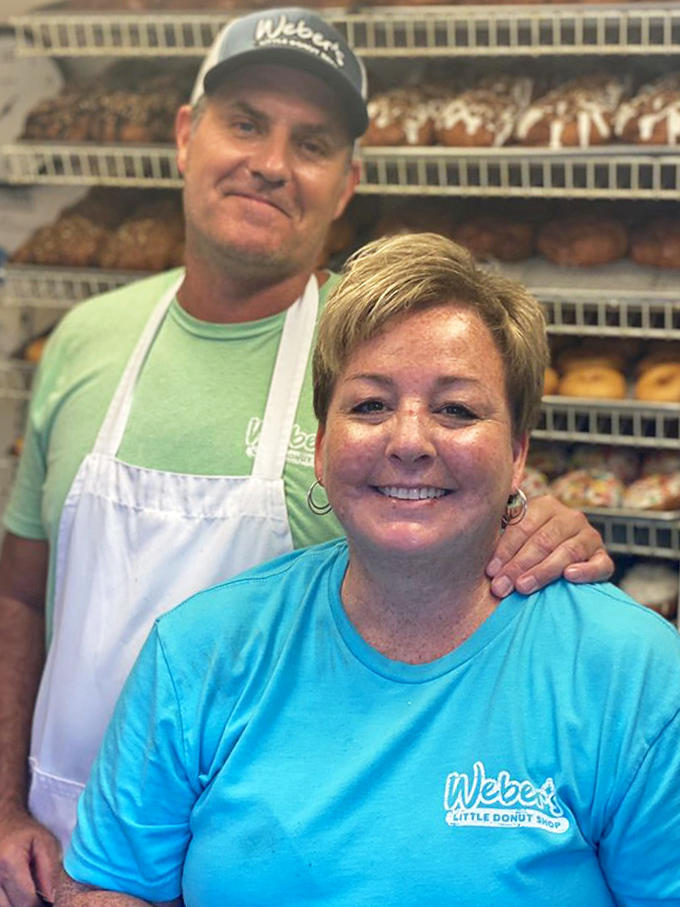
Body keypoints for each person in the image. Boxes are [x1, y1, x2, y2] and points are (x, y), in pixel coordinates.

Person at [0, 8, 613, 905]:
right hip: (67, 852)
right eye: (245, 121)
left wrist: (542, 524)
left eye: (312, 142)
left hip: (276, 856)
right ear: (185, 135)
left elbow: (478, 522)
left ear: (346, 182)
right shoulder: (85, 341)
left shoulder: (377, 363)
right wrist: (4, 806)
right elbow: (19, 591)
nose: (272, 162)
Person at [55, 233, 680, 906]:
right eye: (370, 405)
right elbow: (110, 892)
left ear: (518, 453)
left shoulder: (633, 675)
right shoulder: (198, 653)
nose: (409, 441)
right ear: (322, 448)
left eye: (457, 409)